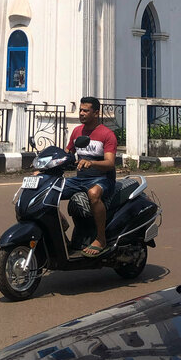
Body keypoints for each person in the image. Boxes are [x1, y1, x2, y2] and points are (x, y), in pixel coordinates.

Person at [62, 97, 117, 257]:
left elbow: (110, 163)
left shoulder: (107, 134)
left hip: (102, 179)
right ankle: (62, 224)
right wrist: (44, 166)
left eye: (85, 110)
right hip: (80, 179)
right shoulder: (77, 131)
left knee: (93, 194)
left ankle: (101, 238)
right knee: (50, 190)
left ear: (96, 113)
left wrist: (91, 163)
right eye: (80, 110)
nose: (81, 113)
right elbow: (67, 153)